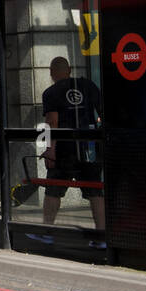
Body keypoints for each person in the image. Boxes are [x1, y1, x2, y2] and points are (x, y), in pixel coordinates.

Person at [37, 56, 105, 245]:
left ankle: (47, 232)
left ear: (51, 73)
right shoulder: (88, 86)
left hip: (65, 150)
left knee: (53, 190)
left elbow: (52, 122)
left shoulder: (51, 92)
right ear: (69, 70)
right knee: (95, 192)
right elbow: (102, 111)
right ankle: (101, 237)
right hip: (89, 148)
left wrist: (50, 150)